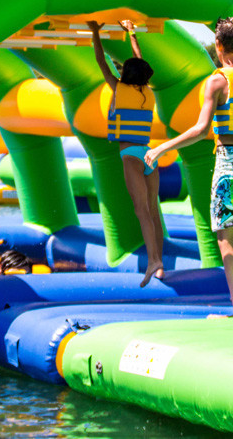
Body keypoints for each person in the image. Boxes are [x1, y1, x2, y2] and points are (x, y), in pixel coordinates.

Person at [144, 17, 233, 317]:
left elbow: (202, 130)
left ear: (218, 45)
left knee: (225, 235)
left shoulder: (218, 80)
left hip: (231, 159)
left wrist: (163, 147)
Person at [88, 19, 166, 287]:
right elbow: (139, 59)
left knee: (141, 211)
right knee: (152, 210)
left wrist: (95, 32)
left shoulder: (119, 89)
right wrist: (131, 32)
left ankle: (154, 260)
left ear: (126, 75)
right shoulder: (148, 91)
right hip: (148, 155)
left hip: (131, 155)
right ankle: (159, 262)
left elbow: (101, 62)